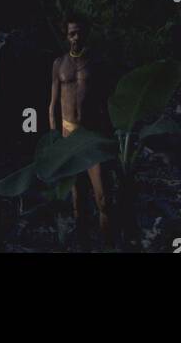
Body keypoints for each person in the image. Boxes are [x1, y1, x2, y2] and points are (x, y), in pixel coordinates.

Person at [48, 14, 112, 244]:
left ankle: (108, 244)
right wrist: (55, 137)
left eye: (80, 32)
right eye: (72, 33)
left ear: (87, 33)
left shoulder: (97, 64)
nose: (76, 37)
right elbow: (53, 105)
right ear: (66, 36)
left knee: (103, 198)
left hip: (92, 136)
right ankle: (83, 242)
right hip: (69, 136)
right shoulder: (59, 64)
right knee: (77, 200)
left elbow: (106, 103)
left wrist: (109, 139)